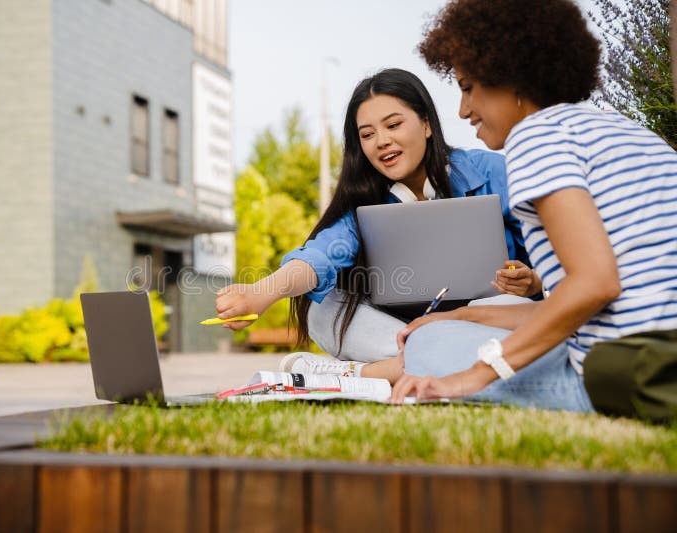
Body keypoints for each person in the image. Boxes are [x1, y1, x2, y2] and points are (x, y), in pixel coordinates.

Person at [390, 0, 677, 417]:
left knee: (426, 347)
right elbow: (590, 300)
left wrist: (473, 375)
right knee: (444, 331)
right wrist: (471, 314)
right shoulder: (629, 133)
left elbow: (595, 284)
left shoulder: (535, 137)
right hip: (659, 347)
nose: (463, 110)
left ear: (514, 77)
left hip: (630, 370)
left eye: (469, 87)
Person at [215, 68, 540, 383]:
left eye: (394, 125)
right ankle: (431, 362)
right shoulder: (364, 202)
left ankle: (366, 373)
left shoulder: (492, 171)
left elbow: (564, 259)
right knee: (325, 310)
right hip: (400, 331)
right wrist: (261, 293)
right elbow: (321, 255)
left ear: (426, 124)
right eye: (367, 134)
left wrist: (535, 282)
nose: (381, 141)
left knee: (509, 305)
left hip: (486, 315)